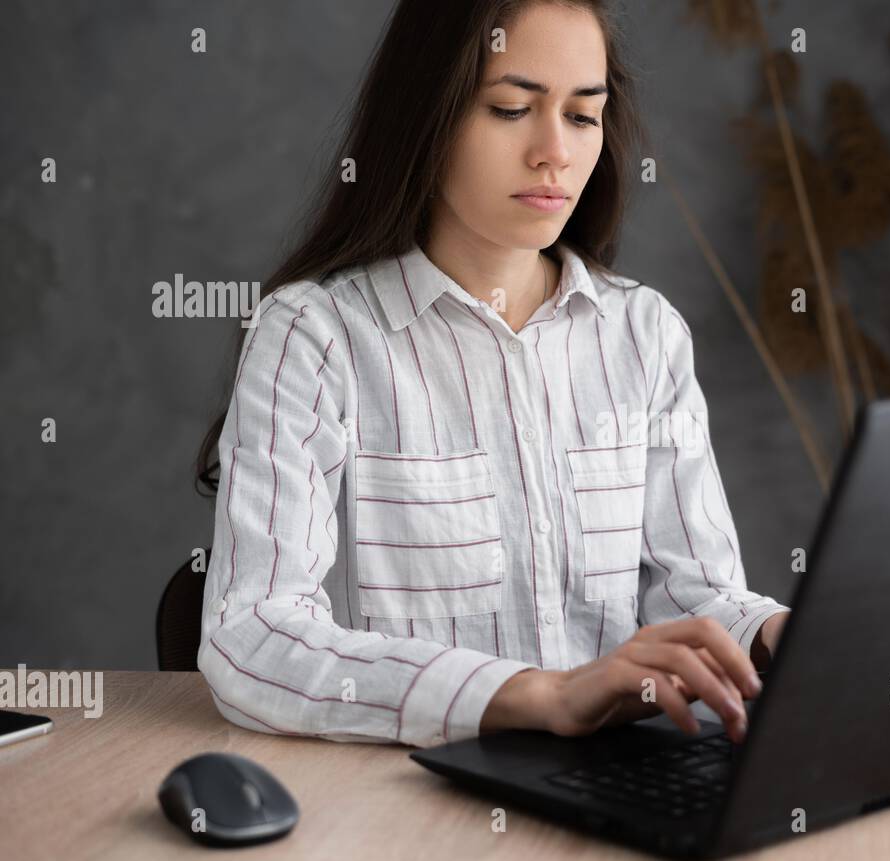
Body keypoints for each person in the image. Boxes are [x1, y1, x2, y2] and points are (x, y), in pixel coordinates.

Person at [193, 0, 790, 750]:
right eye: (512, 108)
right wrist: (539, 694)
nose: (555, 153)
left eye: (582, 117)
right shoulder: (316, 335)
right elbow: (250, 636)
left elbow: (696, 598)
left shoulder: (645, 334)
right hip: (400, 800)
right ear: (427, 117)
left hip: (606, 791)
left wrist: (776, 634)